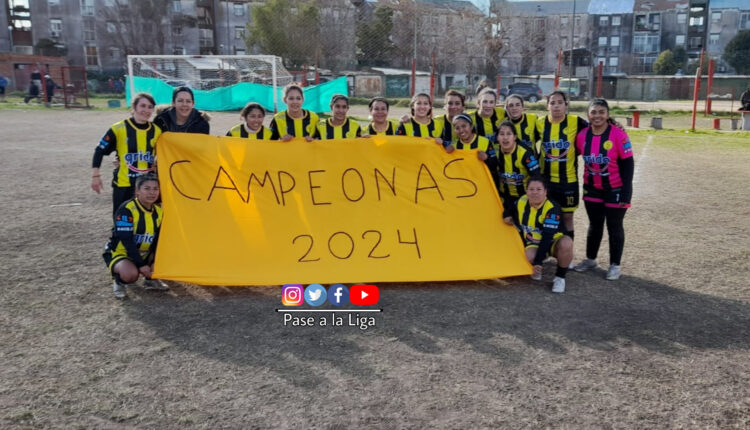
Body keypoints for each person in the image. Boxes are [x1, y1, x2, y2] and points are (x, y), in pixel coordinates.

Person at [574, 98, 634, 281]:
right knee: (595, 225)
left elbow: (628, 164)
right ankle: (591, 259)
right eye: (593, 112)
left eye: (601, 112)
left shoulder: (618, 135)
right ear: (588, 115)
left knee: (614, 226)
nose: (597, 116)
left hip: (615, 189)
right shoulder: (582, 135)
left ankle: (615, 265)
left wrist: (626, 191)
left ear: (607, 115)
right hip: (591, 188)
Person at [92, 92, 161, 215]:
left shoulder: (157, 131)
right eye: (143, 106)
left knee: (145, 220)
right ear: (134, 107)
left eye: (150, 107)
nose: (146, 110)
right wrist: (96, 176)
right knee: (121, 220)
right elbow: (99, 150)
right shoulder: (118, 128)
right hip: (124, 184)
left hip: (147, 186)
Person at [535, 90, 589, 243]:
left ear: (566, 105)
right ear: (547, 106)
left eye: (560, 103)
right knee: (547, 215)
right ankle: (546, 250)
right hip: (546, 181)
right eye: (552, 103)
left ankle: (568, 251)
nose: (556, 106)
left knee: (567, 217)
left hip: (568, 180)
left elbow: (596, 126)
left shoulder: (576, 121)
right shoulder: (540, 123)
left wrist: (613, 123)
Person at [103, 173, 167, 299]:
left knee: (165, 264)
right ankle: (119, 281)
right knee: (131, 275)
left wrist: (154, 262)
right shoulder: (126, 209)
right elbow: (126, 240)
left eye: (155, 189)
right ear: (137, 191)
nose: (151, 193)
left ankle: (150, 280)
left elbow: (158, 240)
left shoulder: (159, 212)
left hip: (145, 253)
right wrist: (141, 265)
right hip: (121, 252)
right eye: (147, 188)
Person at [511, 175, 573, 293]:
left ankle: (560, 277)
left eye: (539, 189)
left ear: (545, 192)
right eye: (531, 189)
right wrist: (506, 215)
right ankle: (538, 264)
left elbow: (547, 236)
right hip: (533, 242)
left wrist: (538, 262)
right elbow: (510, 208)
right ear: (526, 191)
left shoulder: (552, 208)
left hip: (552, 242)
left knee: (567, 243)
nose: (534, 193)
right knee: (528, 256)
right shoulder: (522, 200)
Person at [495, 121, 540, 224]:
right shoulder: (496, 152)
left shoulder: (525, 153)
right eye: (501, 134)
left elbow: (537, 177)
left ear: (514, 137)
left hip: (524, 196)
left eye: (509, 134)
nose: (505, 138)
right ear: (497, 138)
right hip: (504, 197)